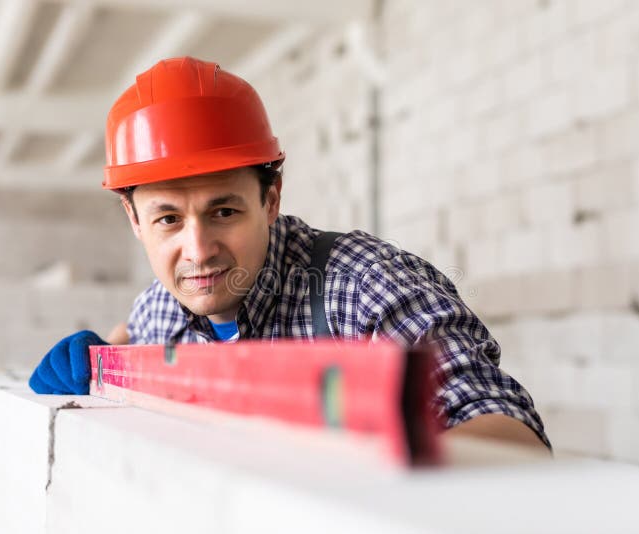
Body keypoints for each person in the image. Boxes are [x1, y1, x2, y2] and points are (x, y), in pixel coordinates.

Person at [29, 57, 551, 452]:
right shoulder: (159, 309)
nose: (198, 251)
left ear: (270, 199)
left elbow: (515, 439)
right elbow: (138, 326)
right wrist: (100, 359)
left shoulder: (363, 288)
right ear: (135, 222)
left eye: (224, 212)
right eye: (169, 219)